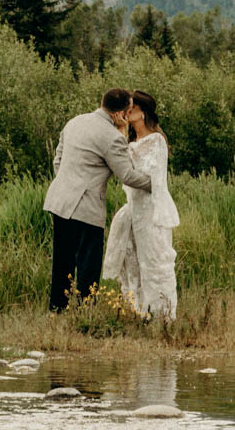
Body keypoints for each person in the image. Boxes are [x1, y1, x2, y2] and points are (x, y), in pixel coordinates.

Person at [44, 87, 153, 312]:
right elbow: (128, 175)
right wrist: (156, 183)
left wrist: (69, 184)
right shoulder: (112, 137)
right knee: (88, 265)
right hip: (86, 207)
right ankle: (86, 314)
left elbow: (58, 160)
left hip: (59, 200)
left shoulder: (74, 122)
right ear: (120, 113)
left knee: (62, 261)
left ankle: (57, 311)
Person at [101, 90, 179, 320]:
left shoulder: (156, 141)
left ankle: (163, 313)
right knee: (131, 262)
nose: (128, 111)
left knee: (155, 260)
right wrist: (122, 132)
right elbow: (123, 168)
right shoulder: (130, 142)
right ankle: (139, 311)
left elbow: (152, 179)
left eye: (132, 108)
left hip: (151, 209)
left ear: (142, 113)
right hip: (134, 208)